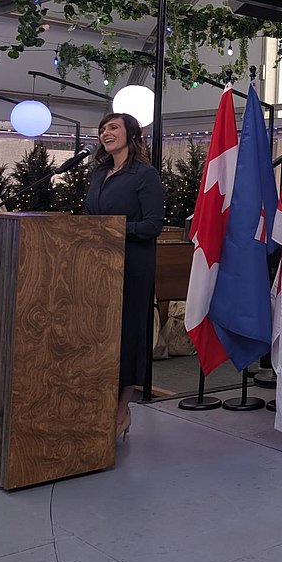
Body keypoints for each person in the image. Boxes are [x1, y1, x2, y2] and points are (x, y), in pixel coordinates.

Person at [84, 113, 165, 442]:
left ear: (130, 134)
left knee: (127, 335)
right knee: (102, 334)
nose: (106, 133)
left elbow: (153, 225)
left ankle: (121, 410)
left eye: (113, 127)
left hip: (132, 264)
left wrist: (114, 230)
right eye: (102, 128)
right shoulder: (100, 173)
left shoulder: (145, 175)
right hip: (98, 265)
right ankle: (99, 404)